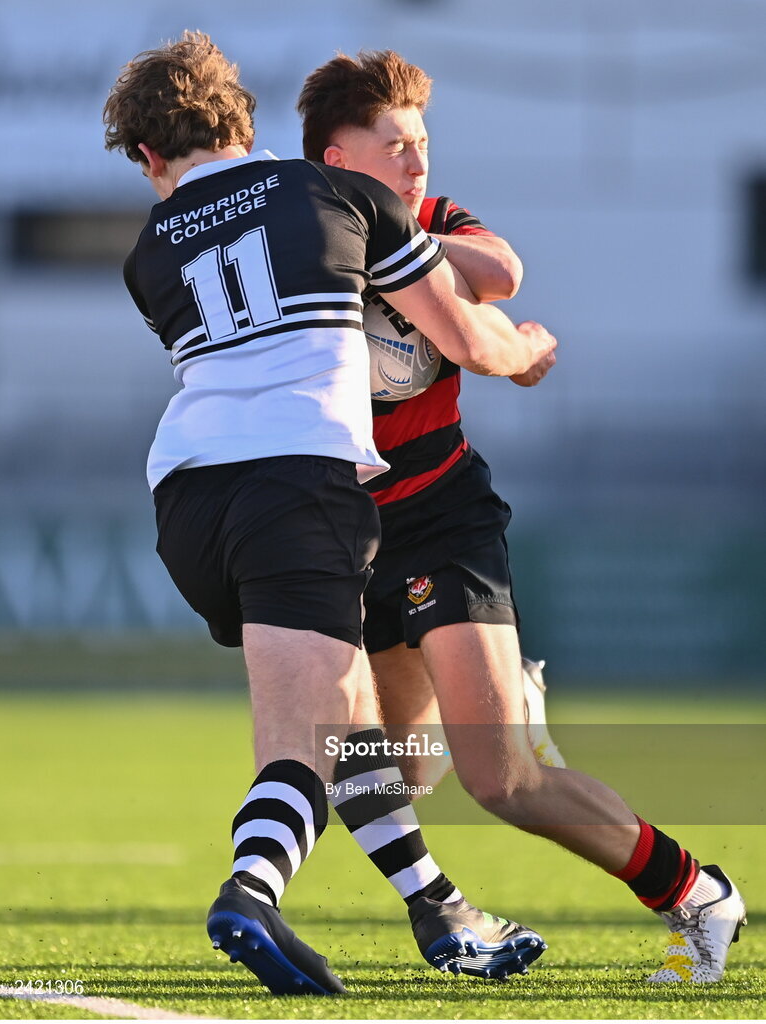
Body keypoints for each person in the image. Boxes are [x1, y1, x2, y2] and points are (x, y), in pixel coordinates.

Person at [103, 31, 558, 996]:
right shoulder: (341, 195)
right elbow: (469, 339)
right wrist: (527, 348)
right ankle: (249, 896)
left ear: (149, 159)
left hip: (186, 498)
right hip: (302, 486)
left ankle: (440, 909)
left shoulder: (147, 252)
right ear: (246, 119)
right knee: (305, 754)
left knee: (354, 725)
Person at [297, 49, 747, 984]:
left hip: (442, 517)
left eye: (422, 142)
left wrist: (413, 246)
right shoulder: (303, 240)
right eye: (397, 147)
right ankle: (499, 693)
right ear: (338, 162)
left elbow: (502, 267)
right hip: (354, 538)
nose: (419, 163)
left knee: (503, 782)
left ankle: (699, 892)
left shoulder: (430, 222)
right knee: (387, 775)